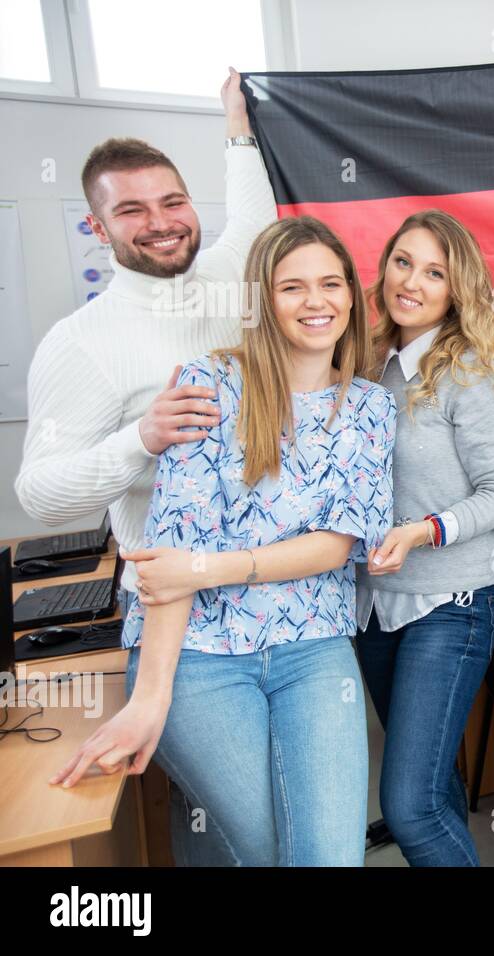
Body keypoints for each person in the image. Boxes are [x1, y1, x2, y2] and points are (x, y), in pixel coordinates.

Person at [51, 216, 397, 869]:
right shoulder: (209, 383)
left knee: (326, 857)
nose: (315, 301)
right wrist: (150, 698)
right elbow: (168, 560)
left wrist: (206, 567)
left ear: (353, 294)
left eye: (330, 283)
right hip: (199, 659)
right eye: (292, 287)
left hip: (313, 651)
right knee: (267, 852)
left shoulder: (372, 410)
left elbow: (334, 546)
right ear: (263, 299)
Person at [16, 69, 277, 865]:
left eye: (172, 202)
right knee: (248, 834)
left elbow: (257, 215)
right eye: (131, 210)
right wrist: (140, 438)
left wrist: (237, 123)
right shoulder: (80, 343)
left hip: (279, 598)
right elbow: (37, 493)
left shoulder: (230, 282)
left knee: (253, 828)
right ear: (100, 228)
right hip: (178, 623)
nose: (160, 224)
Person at [355, 210, 494, 866]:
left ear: (456, 290)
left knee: (408, 804)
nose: (413, 282)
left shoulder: (469, 373)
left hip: (450, 605)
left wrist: (424, 531)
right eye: (403, 262)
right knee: (434, 785)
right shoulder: (369, 366)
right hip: (373, 608)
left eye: (434, 272)